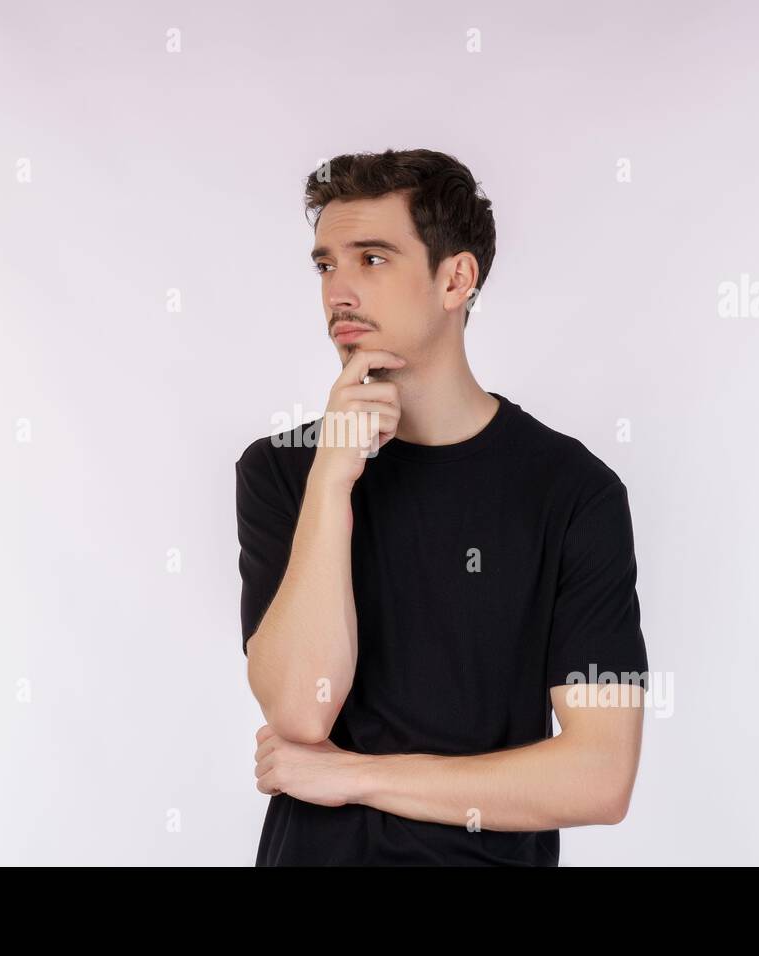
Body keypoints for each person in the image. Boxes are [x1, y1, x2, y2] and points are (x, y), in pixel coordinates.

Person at [235, 148, 649, 865]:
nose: (339, 291)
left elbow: (600, 776)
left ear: (456, 277)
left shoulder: (574, 491)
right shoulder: (281, 470)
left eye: (372, 259)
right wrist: (333, 477)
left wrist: (353, 777)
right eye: (326, 264)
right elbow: (302, 711)